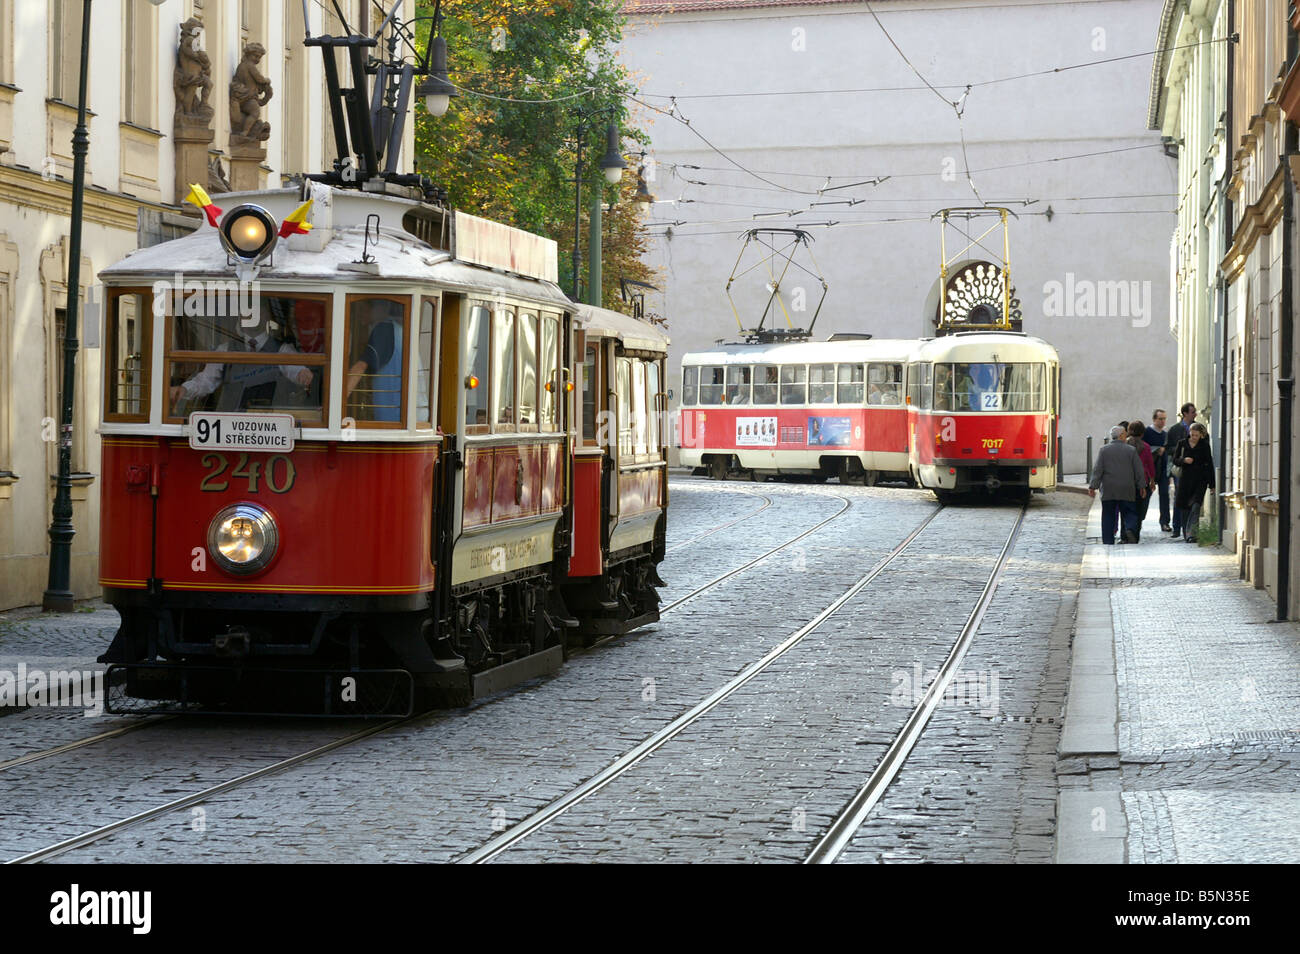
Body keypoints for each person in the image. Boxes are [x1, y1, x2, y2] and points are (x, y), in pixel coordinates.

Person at [169, 306, 312, 412]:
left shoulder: (282, 349)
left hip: (271, 426)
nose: (251, 316)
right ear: (240, 318)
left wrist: (303, 374)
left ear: (267, 318)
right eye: (246, 312)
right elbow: (206, 380)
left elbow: (296, 369)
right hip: (230, 423)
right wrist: (185, 389)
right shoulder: (224, 349)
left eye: (257, 312)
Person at [1089, 424, 1147, 545]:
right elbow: (1139, 470)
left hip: (1109, 489)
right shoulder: (1131, 450)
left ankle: (1108, 540)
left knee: (1108, 514)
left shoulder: (1104, 450)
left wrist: (1093, 486)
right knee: (1129, 512)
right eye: (1125, 433)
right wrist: (1142, 486)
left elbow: (1098, 469)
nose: (1126, 435)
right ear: (1121, 436)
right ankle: (1130, 529)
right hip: (1127, 488)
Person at [1173, 422, 1215, 542]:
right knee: (1185, 507)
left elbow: (1209, 464)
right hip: (1185, 480)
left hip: (1200, 480)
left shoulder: (1205, 445)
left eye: (1196, 435)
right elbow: (1175, 460)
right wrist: (1184, 460)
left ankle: (1192, 534)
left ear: (1201, 435)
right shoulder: (1182, 443)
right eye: (1192, 435)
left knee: (1196, 506)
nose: (1194, 437)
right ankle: (1187, 533)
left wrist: (1212, 484)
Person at [1164, 402, 1197, 536]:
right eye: (1193, 412)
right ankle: (1177, 527)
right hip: (1180, 467)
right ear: (1185, 414)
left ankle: (1189, 529)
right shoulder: (1175, 429)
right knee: (1179, 497)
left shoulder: (1198, 428)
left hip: (1195, 469)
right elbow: (1168, 448)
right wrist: (1181, 451)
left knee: (1193, 499)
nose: (1195, 414)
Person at [1127, 420, 1156, 541]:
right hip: (1142, 481)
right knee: (1139, 509)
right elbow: (1150, 465)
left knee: (1127, 507)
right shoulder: (1146, 447)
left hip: (1127, 480)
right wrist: (1152, 480)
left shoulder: (1125, 445)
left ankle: (1127, 532)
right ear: (1142, 433)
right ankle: (1135, 534)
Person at [1144, 408, 1171, 531]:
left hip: (1164, 469)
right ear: (1154, 419)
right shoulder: (1147, 432)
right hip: (1151, 470)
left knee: (1165, 495)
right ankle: (1139, 519)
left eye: (1164, 419)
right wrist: (1156, 449)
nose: (1162, 421)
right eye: (1160, 419)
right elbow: (1143, 449)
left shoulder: (1166, 435)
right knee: (1146, 495)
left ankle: (1165, 522)